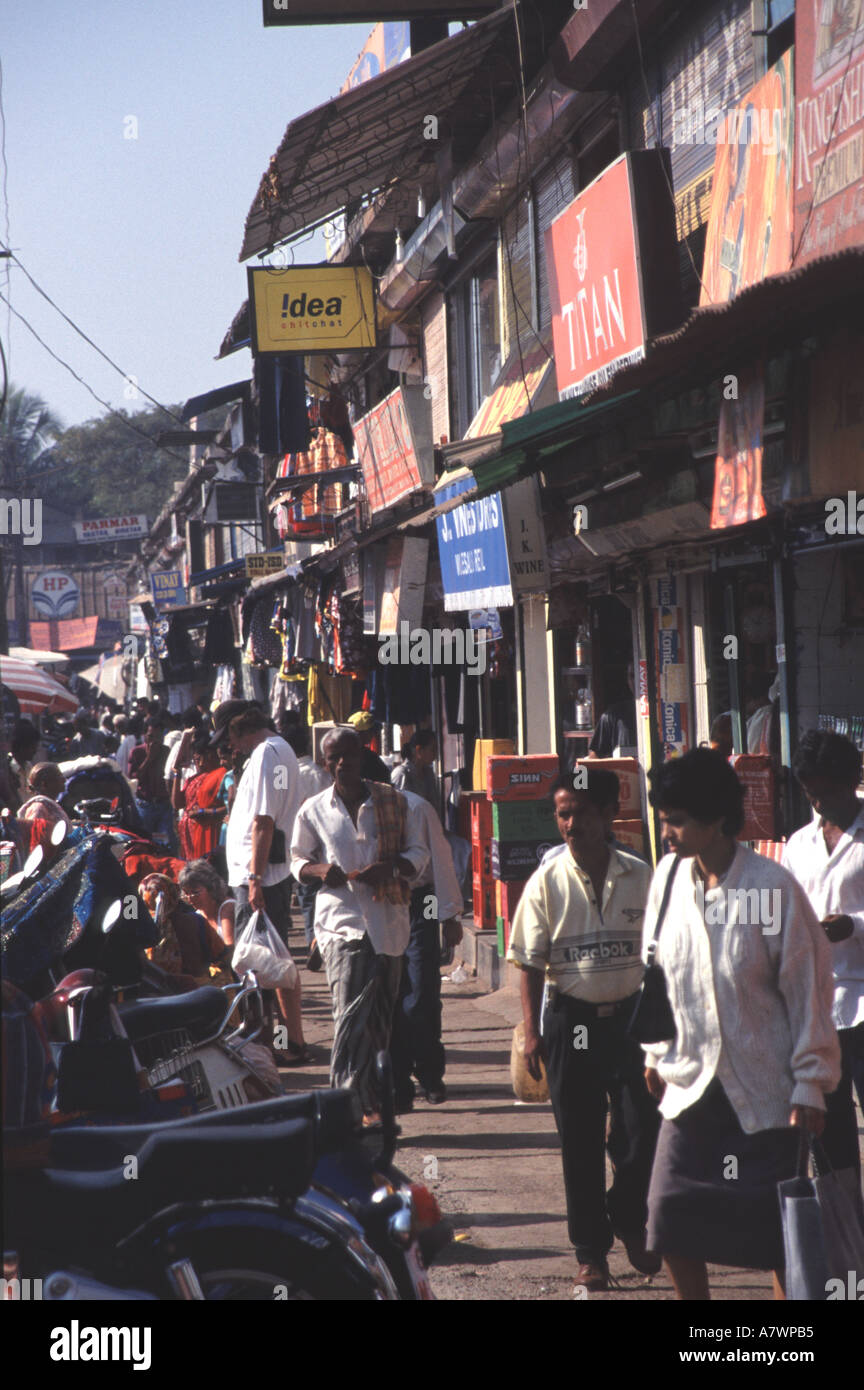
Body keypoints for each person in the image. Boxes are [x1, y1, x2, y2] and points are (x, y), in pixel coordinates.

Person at [642, 748, 841, 1300]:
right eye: (663, 818)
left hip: (767, 1091)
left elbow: (808, 990)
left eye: (677, 820)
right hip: (691, 1088)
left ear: (715, 820)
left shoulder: (770, 888)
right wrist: (657, 1054)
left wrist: (810, 1081)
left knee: (778, 1232)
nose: (667, 832)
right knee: (669, 1213)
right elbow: (659, 971)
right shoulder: (667, 880)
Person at [507, 768, 659, 1291]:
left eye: (582, 814)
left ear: (607, 816)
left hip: (635, 1022)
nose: (571, 824)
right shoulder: (546, 881)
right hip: (571, 1023)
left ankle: (628, 1214)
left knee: (645, 1132)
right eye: (563, 814)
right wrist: (531, 1033)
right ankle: (590, 1251)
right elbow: (527, 962)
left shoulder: (642, 875)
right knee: (580, 1137)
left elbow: (664, 957)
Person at [290, 727, 428, 1123]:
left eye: (348, 755)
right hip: (341, 924)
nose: (341, 764)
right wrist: (320, 870)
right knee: (350, 1017)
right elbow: (298, 859)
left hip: (387, 923)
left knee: (380, 1022)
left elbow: (419, 853)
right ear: (324, 762)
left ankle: (372, 1107)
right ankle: (344, 1108)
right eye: (333, 758)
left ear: (361, 754)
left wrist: (391, 867)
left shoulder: (394, 801)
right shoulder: (313, 809)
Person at [783, 730, 864, 1181]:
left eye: (825, 791)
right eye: (810, 793)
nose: (817, 803)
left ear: (852, 779)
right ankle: (843, 1239)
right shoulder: (798, 846)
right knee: (828, 1143)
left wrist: (852, 925)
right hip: (817, 1011)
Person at [225, 704, 308, 1065]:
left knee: (256, 968)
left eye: (231, 739)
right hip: (264, 875)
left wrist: (255, 878)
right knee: (274, 963)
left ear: (241, 730)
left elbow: (263, 821)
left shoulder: (266, 754)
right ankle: (289, 1042)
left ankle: (268, 1045)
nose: (233, 748)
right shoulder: (279, 750)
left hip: (258, 877)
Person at [390, 786, 463, 1111]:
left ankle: (431, 1075)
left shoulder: (416, 808)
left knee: (422, 992)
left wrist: (450, 915)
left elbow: (442, 861)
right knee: (390, 998)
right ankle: (398, 1082)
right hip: (379, 904)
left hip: (422, 901)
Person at [280, 719, 332, 964]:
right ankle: (319, 937)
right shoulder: (322, 773)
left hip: (297, 842)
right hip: (325, 839)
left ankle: (314, 937)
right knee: (324, 890)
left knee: (306, 891)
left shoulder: (286, 774)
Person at [139, 872, 232, 989]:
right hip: (195, 993)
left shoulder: (140, 931)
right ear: (175, 893)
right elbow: (222, 956)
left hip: (156, 996)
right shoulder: (197, 922)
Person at [170, 732, 226, 861]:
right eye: (195, 759)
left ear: (209, 755)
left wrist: (203, 813)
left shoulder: (220, 775)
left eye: (198, 758)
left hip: (205, 831)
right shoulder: (193, 779)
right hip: (188, 834)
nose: (197, 763)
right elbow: (177, 804)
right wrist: (177, 775)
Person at [129, 719, 176, 851]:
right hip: (145, 805)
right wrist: (149, 759)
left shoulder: (167, 752)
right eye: (151, 736)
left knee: (167, 845)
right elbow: (134, 777)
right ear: (144, 735)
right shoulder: (137, 752)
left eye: (158, 737)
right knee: (144, 843)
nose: (154, 741)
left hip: (164, 805)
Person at [178, 859, 236, 948]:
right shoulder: (198, 915)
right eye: (186, 893)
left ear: (211, 888)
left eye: (195, 892)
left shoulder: (227, 907)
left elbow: (230, 947)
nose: (190, 898)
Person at [586, 663, 636, 759]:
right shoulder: (612, 715)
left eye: (642, 674)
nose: (637, 680)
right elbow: (595, 757)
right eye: (632, 676)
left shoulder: (663, 714)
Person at [391, 729, 440, 808]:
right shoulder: (401, 774)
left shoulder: (429, 773)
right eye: (433, 750)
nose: (436, 754)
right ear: (419, 750)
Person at [346, 710, 390, 783]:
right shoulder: (368, 757)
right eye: (371, 731)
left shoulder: (342, 753)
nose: (373, 735)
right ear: (359, 733)